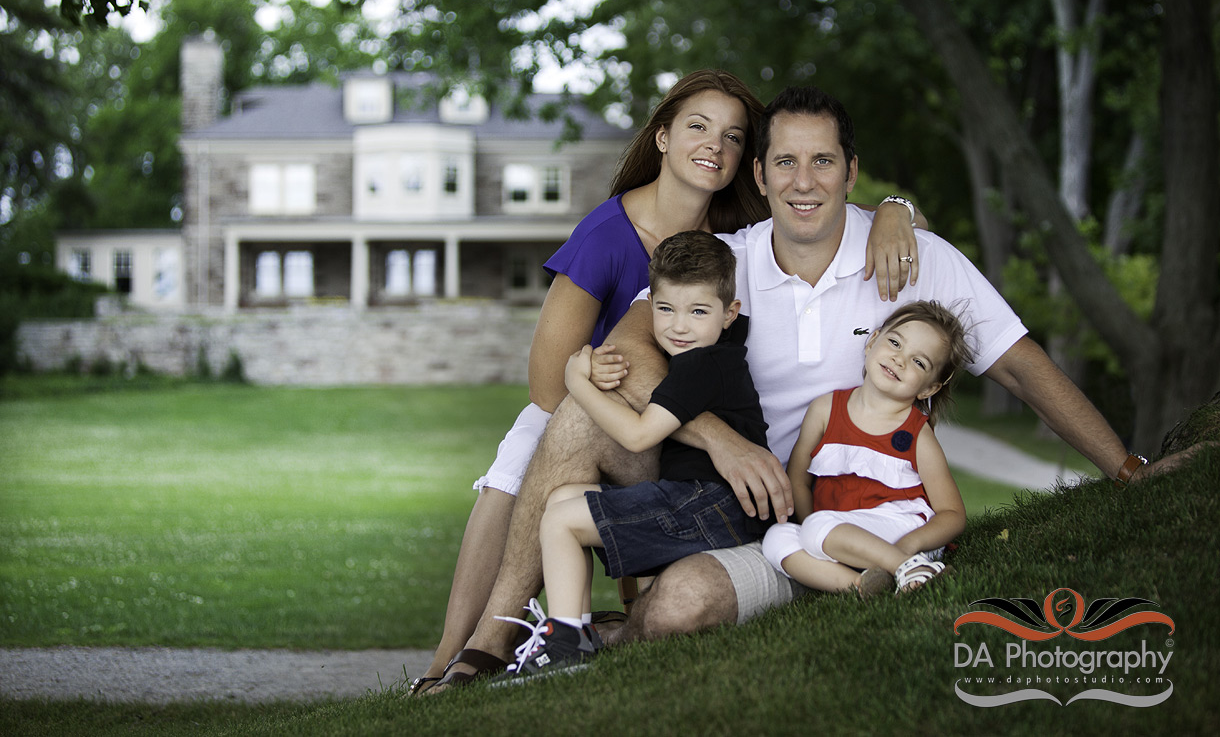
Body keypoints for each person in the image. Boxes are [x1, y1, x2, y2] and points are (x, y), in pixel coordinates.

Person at [423, 83, 1192, 688]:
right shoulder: (729, 262)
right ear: (759, 175)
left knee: (681, 606)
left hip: (818, 524)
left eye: (823, 161)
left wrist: (1126, 468)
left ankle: (587, 635)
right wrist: (720, 441)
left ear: (851, 173)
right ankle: (487, 647)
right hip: (724, 495)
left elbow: (1020, 363)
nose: (803, 181)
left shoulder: (915, 258)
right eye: (784, 162)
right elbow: (626, 345)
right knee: (576, 418)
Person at [413, 73, 925, 693]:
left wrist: (895, 209)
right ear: (661, 137)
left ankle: (581, 631)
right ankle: (459, 655)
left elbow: (831, 206)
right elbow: (548, 389)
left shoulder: (739, 228)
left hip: (676, 412)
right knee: (523, 456)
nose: (715, 145)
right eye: (698, 127)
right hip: (599, 398)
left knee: (612, 499)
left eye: (733, 136)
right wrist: (617, 387)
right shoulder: (609, 234)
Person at [500, 231, 768, 677]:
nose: (678, 326)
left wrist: (577, 382)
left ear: (729, 313)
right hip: (703, 501)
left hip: (714, 506)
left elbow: (639, 435)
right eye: (665, 309)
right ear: (651, 305)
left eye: (698, 311)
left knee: (562, 521)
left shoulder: (702, 364)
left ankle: (564, 645)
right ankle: (575, 634)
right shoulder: (714, 347)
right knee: (564, 499)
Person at [761, 300, 972, 597]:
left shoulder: (917, 435)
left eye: (919, 362)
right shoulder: (825, 410)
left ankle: (910, 565)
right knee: (777, 538)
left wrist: (909, 544)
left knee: (817, 528)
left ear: (928, 389)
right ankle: (864, 586)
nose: (899, 360)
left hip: (901, 529)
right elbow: (798, 480)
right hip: (839, 530)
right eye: (895, 343)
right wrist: (817, 534)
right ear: (872, 342)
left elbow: (952, 513)